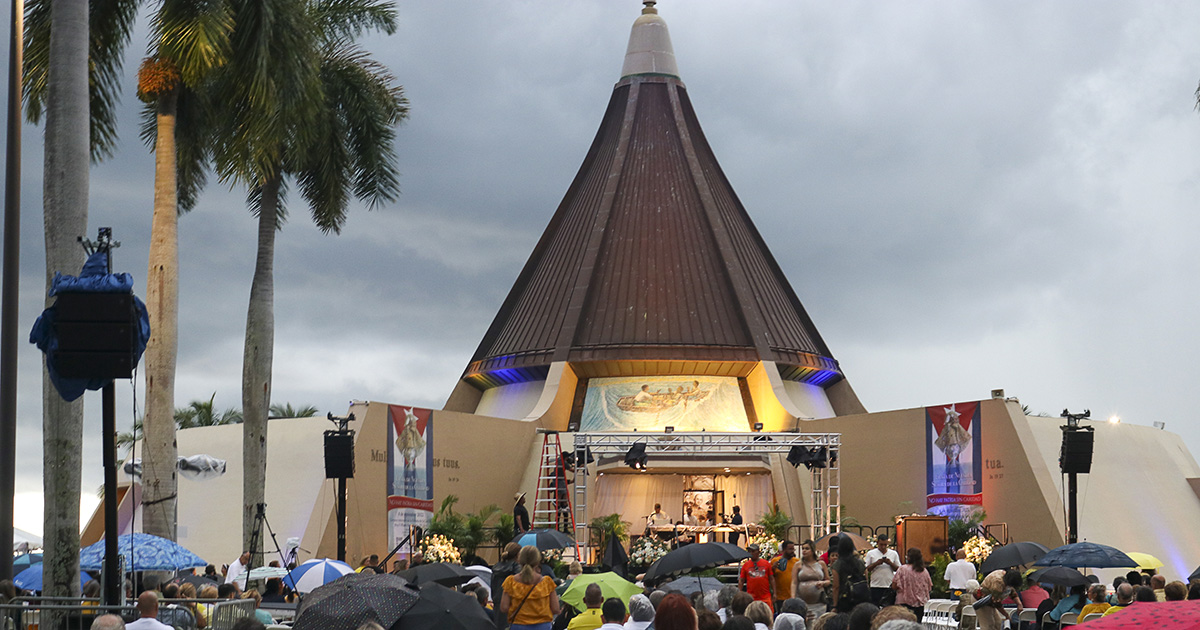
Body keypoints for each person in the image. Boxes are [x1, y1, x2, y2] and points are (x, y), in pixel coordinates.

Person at [501, 545, 560, 630]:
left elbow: (504, 607)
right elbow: (555, 609)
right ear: (537, 561)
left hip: (518, 625)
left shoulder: (511, 582)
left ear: (519, 560)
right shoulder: (547, 582)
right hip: (542, 626)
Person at [793, 539, 830, 625]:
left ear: (812, 550)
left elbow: (828, 580)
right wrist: (793, 597)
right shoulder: (798, 565)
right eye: (803, 548)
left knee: (818, 625)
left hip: (819, 603)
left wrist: (823, 583)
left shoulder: (821, 564)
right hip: (803, 602)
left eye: (807, 548)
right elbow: (794, 582)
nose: (804, 551)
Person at [830, 536, 867, 613]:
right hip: (860, 596)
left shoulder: (837, 564)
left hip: (844, 598)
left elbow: (836, 586)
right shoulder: (860, 562)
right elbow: (866, 579)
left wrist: (835, 605)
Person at [864, 535, 900, 606]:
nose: (883, 547)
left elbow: (898, 569)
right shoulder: (871, 553)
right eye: (881, 544)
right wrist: (877, 563)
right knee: (875, 606)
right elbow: (867, 569)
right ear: (877, 543)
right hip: (875, 585)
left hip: (889, 585)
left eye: (885, 545)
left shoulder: (893, 553)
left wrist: (890, 563)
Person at [739, 544, 775, 611]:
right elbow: (741, 580)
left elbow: (771, 579)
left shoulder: (766, 564)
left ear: (758, 552)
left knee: (768, 614)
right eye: (750, 551)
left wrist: (774, 593)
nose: (751, 553)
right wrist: (740, 592)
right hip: (751, 597)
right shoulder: (746, 565)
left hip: (765, 597)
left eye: (753, 551)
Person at [771, 541, 799, 612]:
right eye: (790, 549)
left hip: (794, 596)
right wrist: (773, 568)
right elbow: (770, 577)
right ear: (783, 550)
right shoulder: (775, 561)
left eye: (793, 549)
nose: (792, 551)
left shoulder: (797, 562)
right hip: (780, 597)